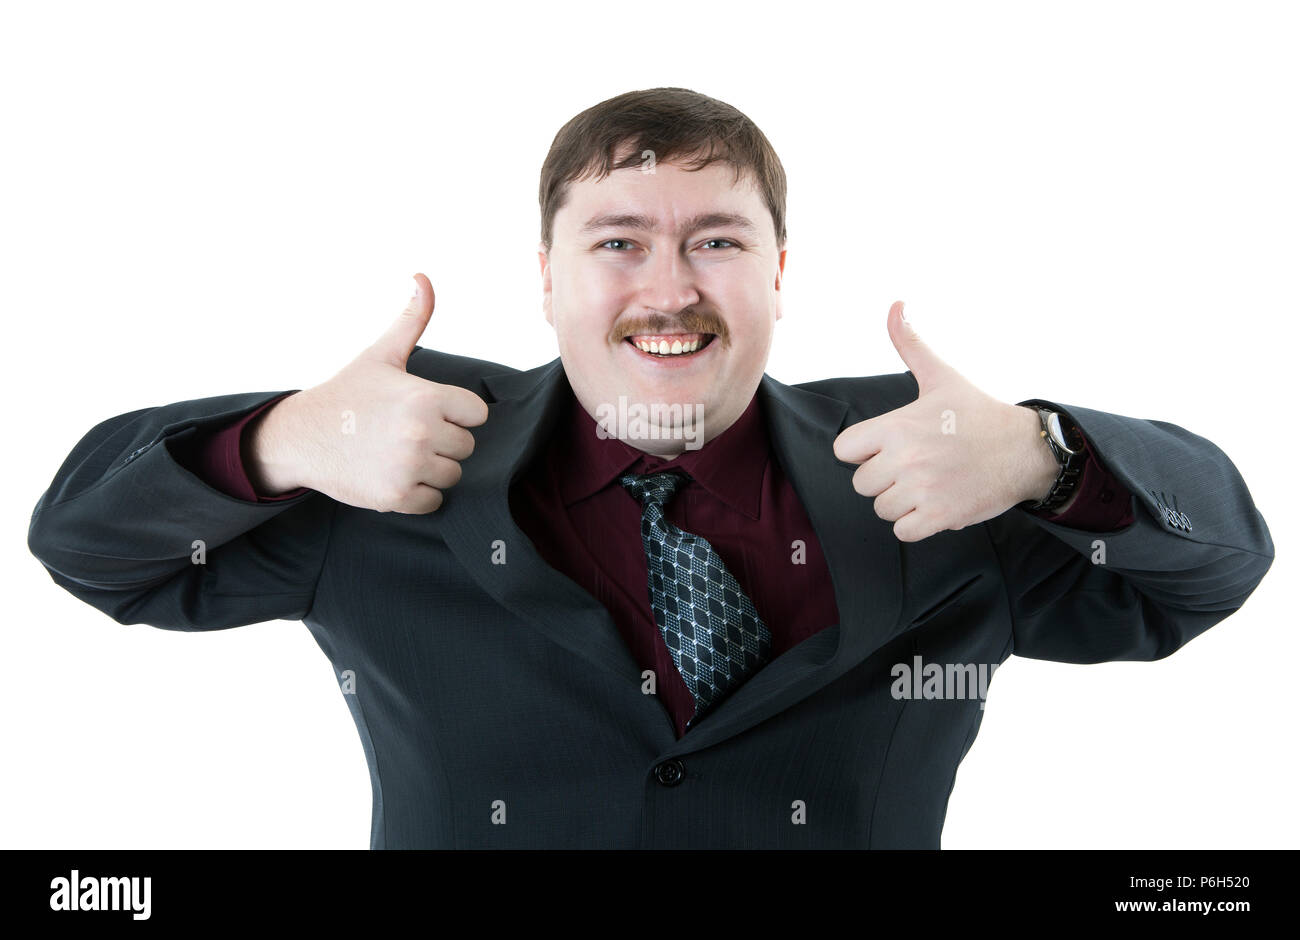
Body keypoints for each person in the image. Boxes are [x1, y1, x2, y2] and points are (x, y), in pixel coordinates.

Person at [27, 87, 1274, 848]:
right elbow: (89, 541)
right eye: (617, 241)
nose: (667, 288)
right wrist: (278, 439)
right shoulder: (391, 459)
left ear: (779, 272)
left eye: (716, 239)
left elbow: (1207, 571)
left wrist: (1048, 459)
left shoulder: (935, 471)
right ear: (548, 275)